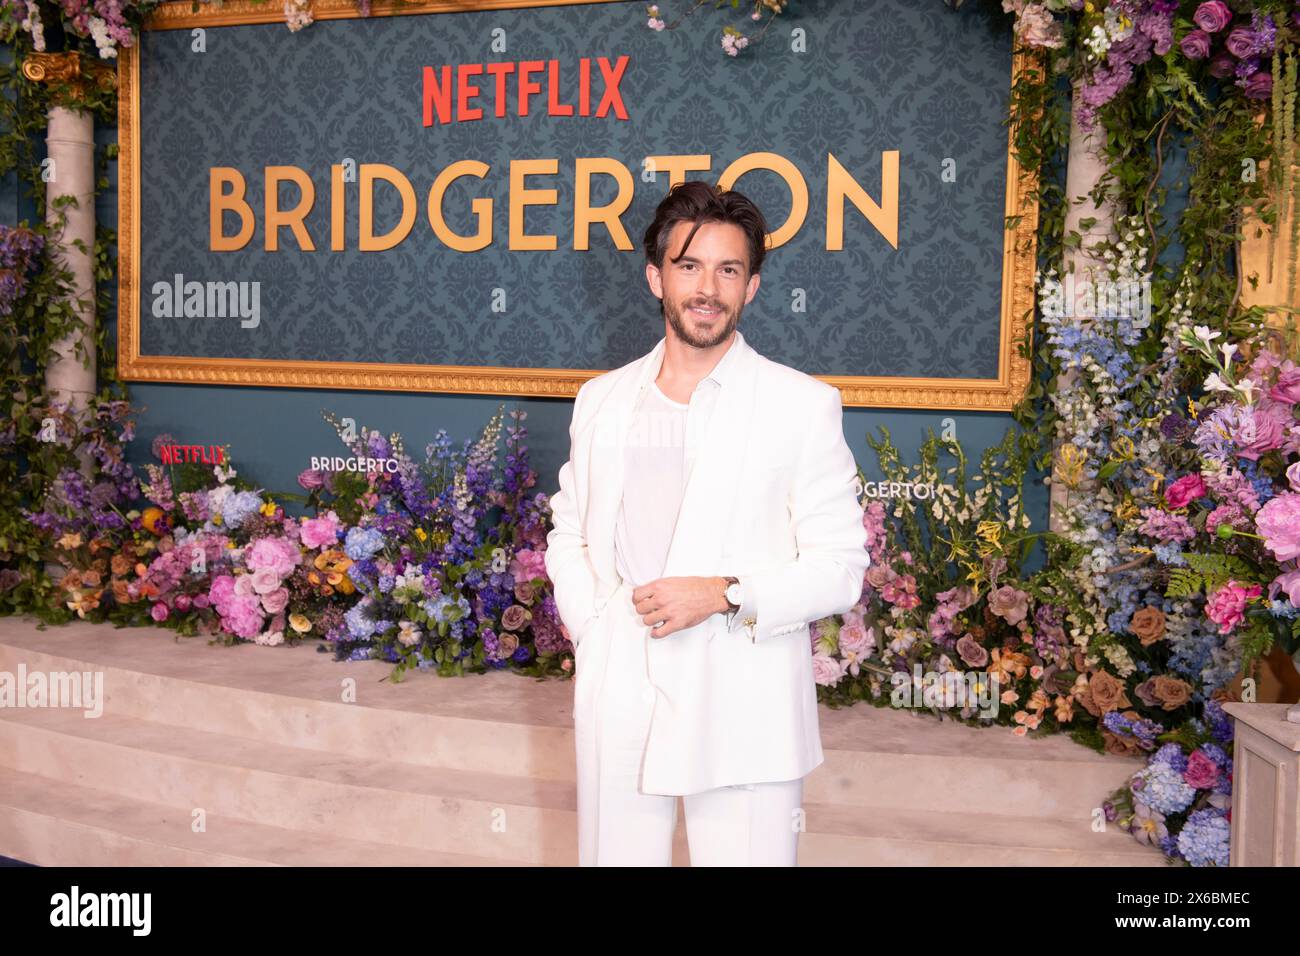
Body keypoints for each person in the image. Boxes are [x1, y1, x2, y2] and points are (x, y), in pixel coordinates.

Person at [544, 180, 870, 866]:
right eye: (689, 266)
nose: (708, 288)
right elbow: (569, 530)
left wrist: (724, 593)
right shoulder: (602, 400)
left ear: (751, 287)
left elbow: (840, 567)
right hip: (621, 684)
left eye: (729, 270)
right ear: (655, 277)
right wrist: (593, 626)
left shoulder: (800, 405)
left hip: (742, 693)